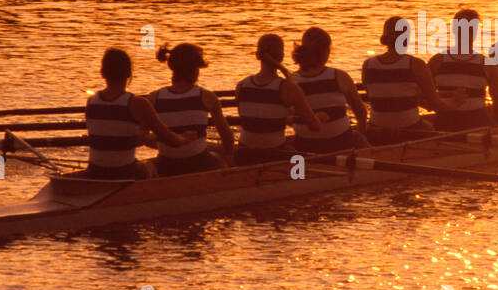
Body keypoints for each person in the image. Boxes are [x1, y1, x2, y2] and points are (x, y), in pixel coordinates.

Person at [83, 48, 201, 180]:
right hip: (125, 173)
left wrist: (152, 138)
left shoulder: (91, 101)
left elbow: (116, 137)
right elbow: (172, 141)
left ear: (102, 73)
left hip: (94, 172)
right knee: (149, 166)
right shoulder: (138, 103)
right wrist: (185, 138)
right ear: (129, 73)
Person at [361, 16, 462, 145]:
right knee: (433, 130)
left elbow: (378, 95)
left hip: (376, 129)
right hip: (411, 130)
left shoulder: (367, 65)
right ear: (406, 38)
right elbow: (436, 105)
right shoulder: (416, 64)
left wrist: (417, 97)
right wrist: (455, 103)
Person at [148, 42, 237, 176]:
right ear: (195, 70)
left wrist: (166, 141)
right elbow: (227, 137)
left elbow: (142, 137)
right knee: (222, 160)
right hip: (200, 163)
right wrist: (228, 156)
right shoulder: (207, 97)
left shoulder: (154, 98)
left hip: (165, 164)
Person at [233, 33, 322, 165]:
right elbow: (315, 127)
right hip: (275, 154)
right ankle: (301, 181)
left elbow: (253, 120)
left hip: (243, 155)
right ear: (281, 57)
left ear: (257, 55)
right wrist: (319, 118)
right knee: (302, 164)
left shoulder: (241, 85)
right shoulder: (288, 88)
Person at [289, 26, 369, 153]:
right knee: (359, 137)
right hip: (341, 143)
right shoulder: (339, 76)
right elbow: (361, 112)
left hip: (305, 146)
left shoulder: (290, 81)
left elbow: (286, 117)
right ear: (326, 51)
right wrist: (363, 131)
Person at [428, 8, 498, 131]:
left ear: (453, 30)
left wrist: (445, 97)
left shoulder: (437, 61)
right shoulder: (487, 64)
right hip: (478, 122)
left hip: (444, 122)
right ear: (475, 32)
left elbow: (425, 99)